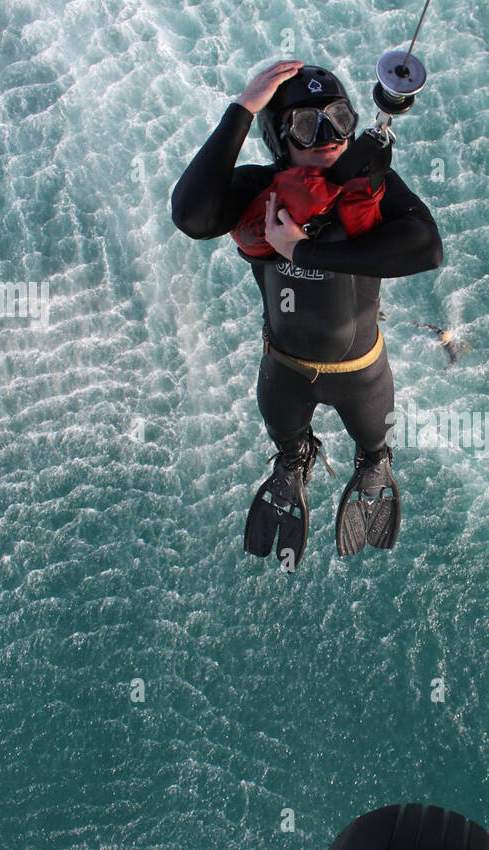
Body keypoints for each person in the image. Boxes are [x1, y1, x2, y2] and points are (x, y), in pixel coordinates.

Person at [171, 60, 443, 569]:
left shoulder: (373, 186)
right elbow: (192, 215)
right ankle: (295, 464)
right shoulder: (258, 192)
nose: (328, 135)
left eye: (338, 118)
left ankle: (373, 467)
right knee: (287, 442)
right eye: (304, 124)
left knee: (374, 446)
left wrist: (303, 253)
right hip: (285, 371)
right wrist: (244, 107)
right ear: (279, 139)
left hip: (362, 374)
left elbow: (426, 248)